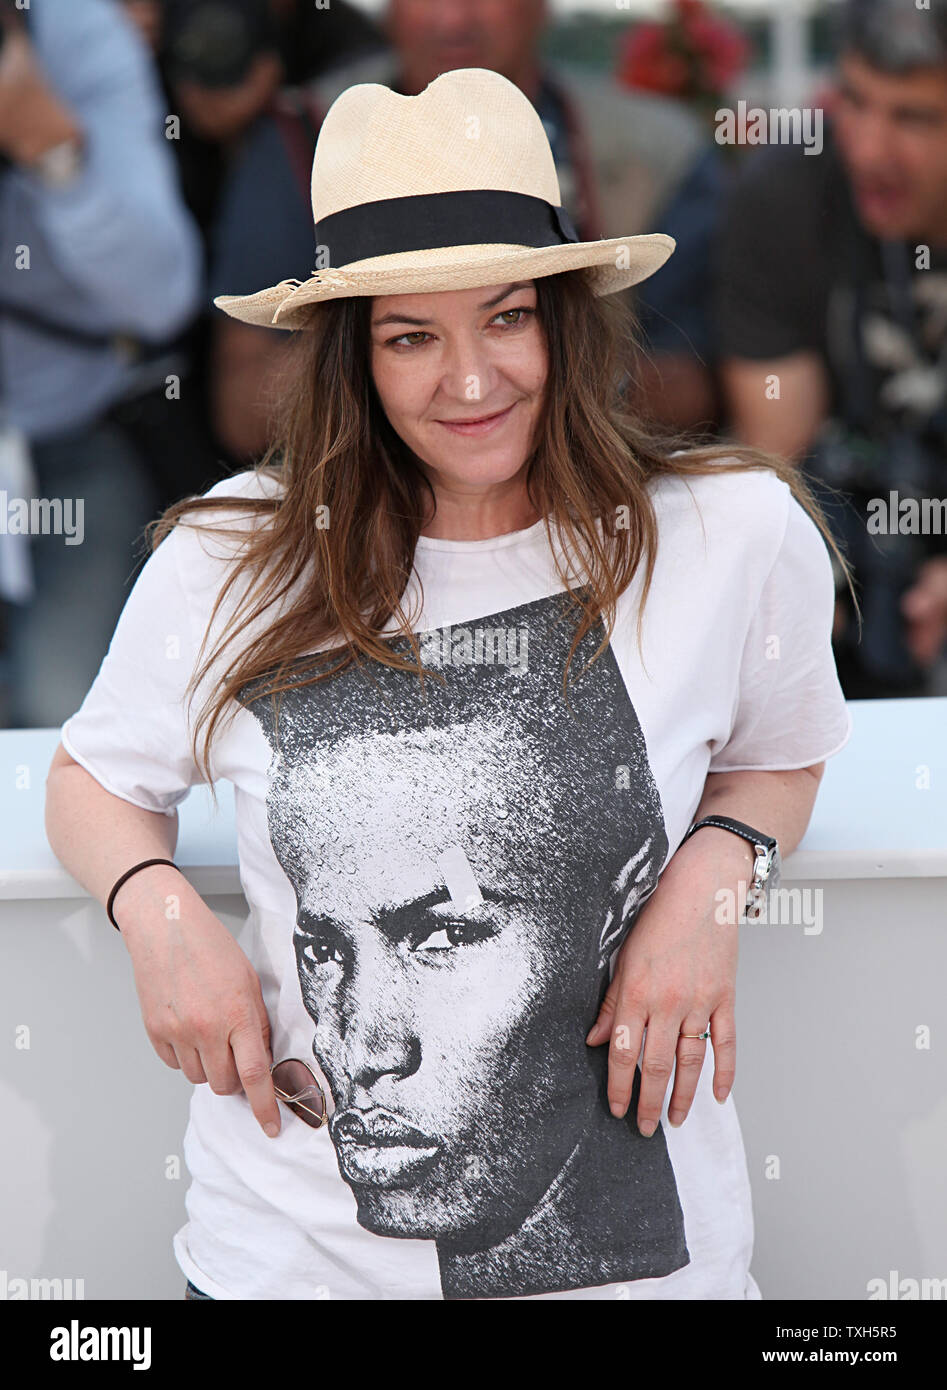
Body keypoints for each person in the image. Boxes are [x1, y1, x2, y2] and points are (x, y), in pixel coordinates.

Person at [46, 67, 853, 1301]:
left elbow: (778, 752)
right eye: (409, 336)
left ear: (566, 319)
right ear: (350, 362)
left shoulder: (730, 536)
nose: (469, 381)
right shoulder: (232, 554)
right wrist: (160, 918)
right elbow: (92, 776)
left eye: (506, 317)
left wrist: (712, 876)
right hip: (283, 1266)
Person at [208, 0, 723, 461]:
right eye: (409, 337)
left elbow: (698, 386)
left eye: (512, 316)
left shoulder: (656, 150)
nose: (451, 17)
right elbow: (241, 410)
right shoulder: (301, 137)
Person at [714, 0, 947, 699]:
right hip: (860, 562)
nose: (870, 149)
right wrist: (796, 578)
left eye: (914, 117)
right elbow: (775, 452)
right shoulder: (786, 192)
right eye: (853, 100)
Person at [0, 0, 204, 728]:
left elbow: (161, 296)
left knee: (66, 716)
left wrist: (52, 148)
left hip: (68, 435)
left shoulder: (76, 31)